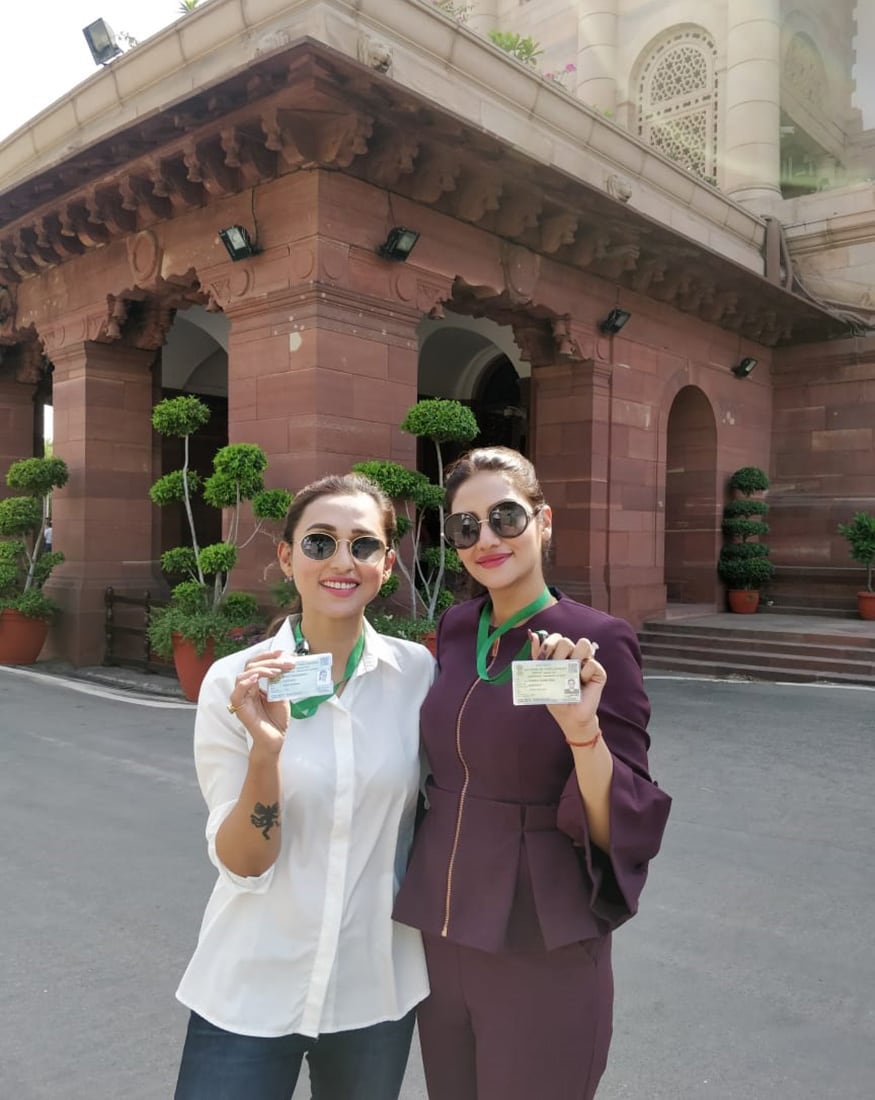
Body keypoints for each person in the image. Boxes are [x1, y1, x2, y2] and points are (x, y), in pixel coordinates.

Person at [393, 446, 672, 1100]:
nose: (486, 539)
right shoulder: (458, 628)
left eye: (505, 517)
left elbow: (623, 816)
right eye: (466, 528)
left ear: (544, 521)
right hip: (443, 922)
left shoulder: (595, 639)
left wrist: (582, 733)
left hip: (537, 933)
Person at [174, 473, 434, 1100]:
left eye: (363, 545)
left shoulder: (417, 676)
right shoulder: (234, 683)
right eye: (320, 543)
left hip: (374, 989)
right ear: (287, 557)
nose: (343, 562)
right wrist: (266, 753)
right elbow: (243, 862)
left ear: (387, 563)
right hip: (250, 984)